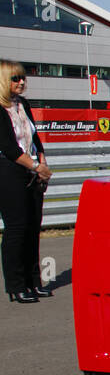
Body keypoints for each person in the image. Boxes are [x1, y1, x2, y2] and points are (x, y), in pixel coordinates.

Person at [0, 61, 52, 302]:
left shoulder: (23, 105)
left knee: (33, 226)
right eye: (15, 78)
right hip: (9, 170)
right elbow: (9, 148)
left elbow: (35, 138)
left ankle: (34, 282)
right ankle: (16, 285)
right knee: (17, 228)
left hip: (32, 169)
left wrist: (42, 164)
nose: (21, 82)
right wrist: (34, 166)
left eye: (22, 78)